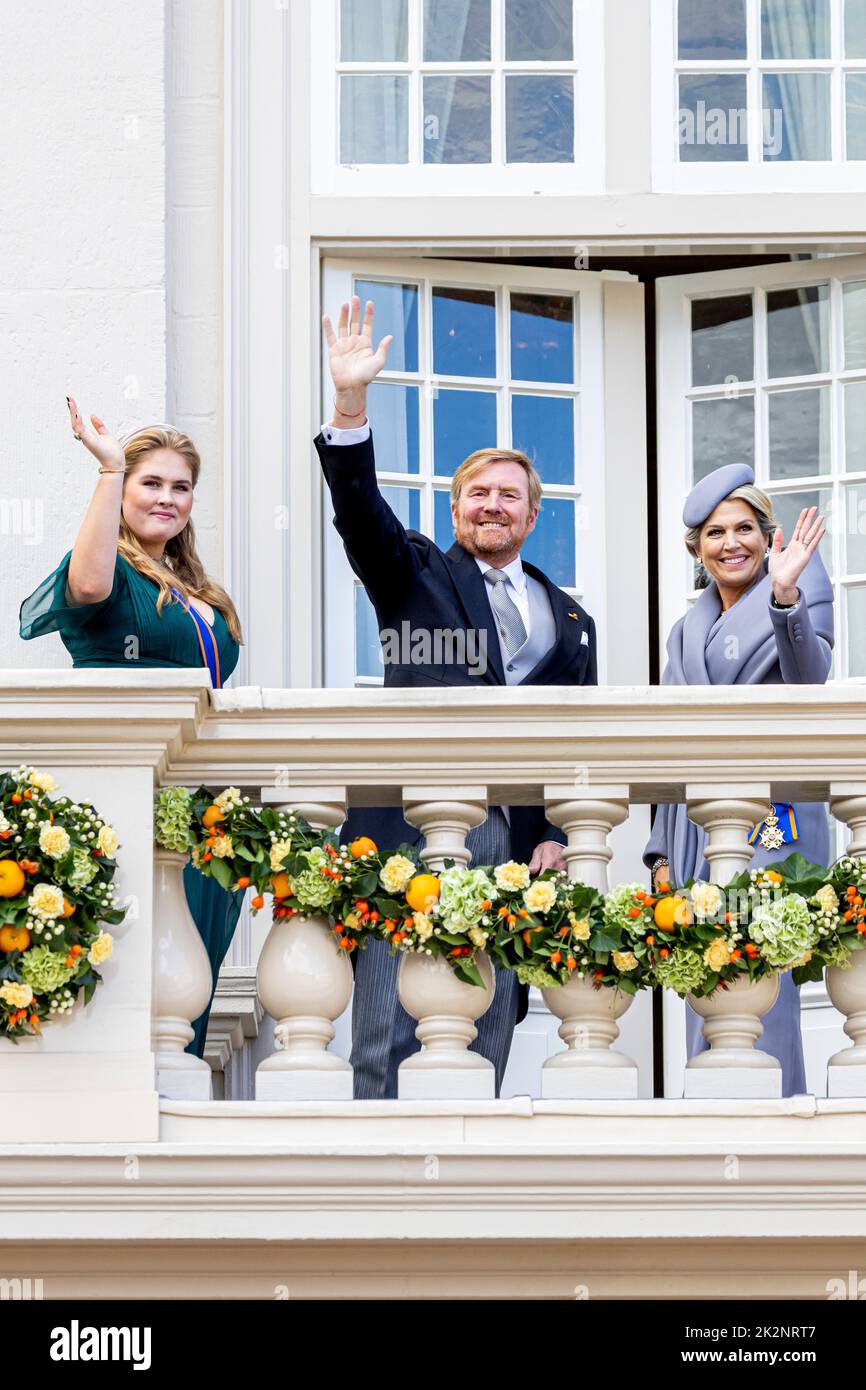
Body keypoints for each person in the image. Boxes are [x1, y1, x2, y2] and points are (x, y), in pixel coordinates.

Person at [316, 296, 599, 1098]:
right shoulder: (417, 574)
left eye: (509, 495)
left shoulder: (572, 620)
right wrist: (350, 404)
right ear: (455, 508)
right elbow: (360, 515)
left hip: (512, 849)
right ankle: (377, 1184)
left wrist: (553, 832)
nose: (492, 505)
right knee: (388, 1023)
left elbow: (570, 737)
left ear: (534, 515)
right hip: (415, 830)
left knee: (491, 1015)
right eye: (477, 493)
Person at [19, 396, 246, 1058]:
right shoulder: (110, 571)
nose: (167, 498)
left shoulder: (201, 589)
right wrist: (108, 470)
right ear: (125, 490)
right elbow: (85, 586)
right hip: (130, 794)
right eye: (151, 482)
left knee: (189, 969)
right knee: (137, 965)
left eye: (181, 487)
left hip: (201, 805)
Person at [644, 462, 834, 1095]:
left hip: (773, 816)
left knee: (761, 967)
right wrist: (660, 851)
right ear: (697, 548)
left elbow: (810, 681)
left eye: (746, 528)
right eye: (716, 532)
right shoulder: (684, 631)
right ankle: (719, 1107)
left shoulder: (801, 585)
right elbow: (669, 749)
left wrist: (785, 599)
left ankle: (773, 1110)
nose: (732, 543)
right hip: (699, 823)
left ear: (767, 534)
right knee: (710, 968)